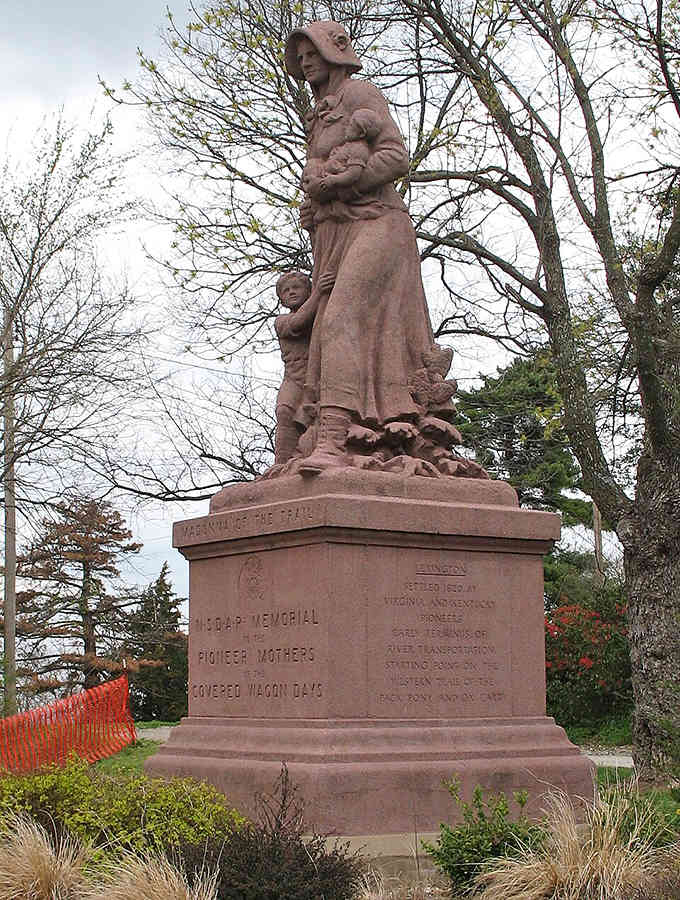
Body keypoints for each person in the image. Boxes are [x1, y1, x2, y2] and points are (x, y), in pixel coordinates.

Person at [283, 21, 485, 479]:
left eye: (311, 52)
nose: (305, 62)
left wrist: (345, 182)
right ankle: (338, 433)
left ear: (334, 52)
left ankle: (333, 441)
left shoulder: (360, 94)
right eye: (300, 56)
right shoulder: (319, 112)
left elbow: (395, 155)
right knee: (329, 330)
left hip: (379, 224)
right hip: (337, 232)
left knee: (339, 318)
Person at [273, 269, 334, 464]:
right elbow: (299, 322)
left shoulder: (322, 314)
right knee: (285, 411)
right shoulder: (281, 322)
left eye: (296, 288)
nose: (291, 292)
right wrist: (319, 293)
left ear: (307, 291)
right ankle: (281, 463)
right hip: (294, 380)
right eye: (286, 290)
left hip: (319, 378)